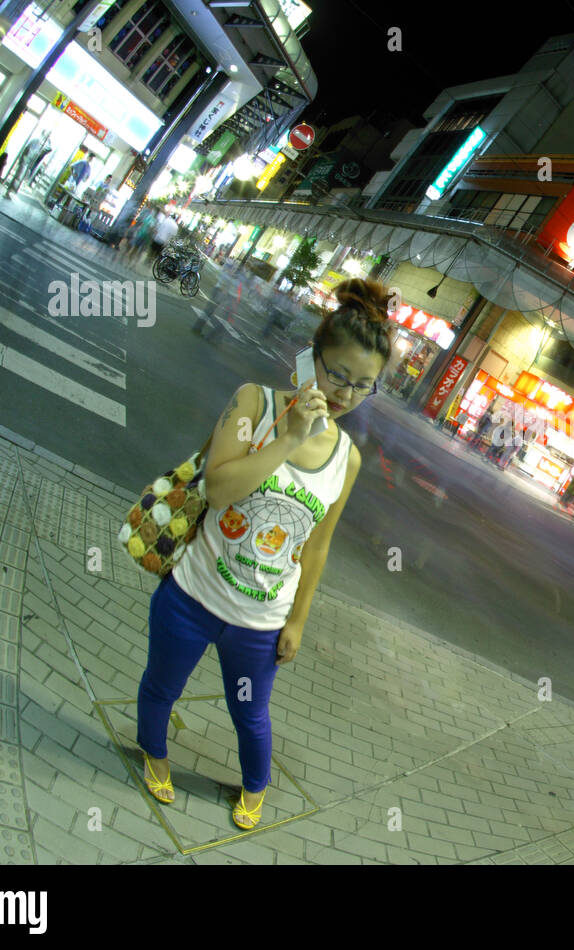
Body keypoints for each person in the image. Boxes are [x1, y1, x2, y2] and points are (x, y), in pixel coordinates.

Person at [136, 278, 392, 830]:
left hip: (259, 623)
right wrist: (290, 438)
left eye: (363, 385)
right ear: (311, 359)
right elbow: (219, 490)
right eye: (337, 375)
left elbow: (317, 547)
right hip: (193, 594)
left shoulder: (347, 459)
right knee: (163, 685)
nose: (345, 393)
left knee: (250, 713)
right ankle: (154, 755)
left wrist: (297, 620)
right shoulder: (254, 402)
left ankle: (255, 787)